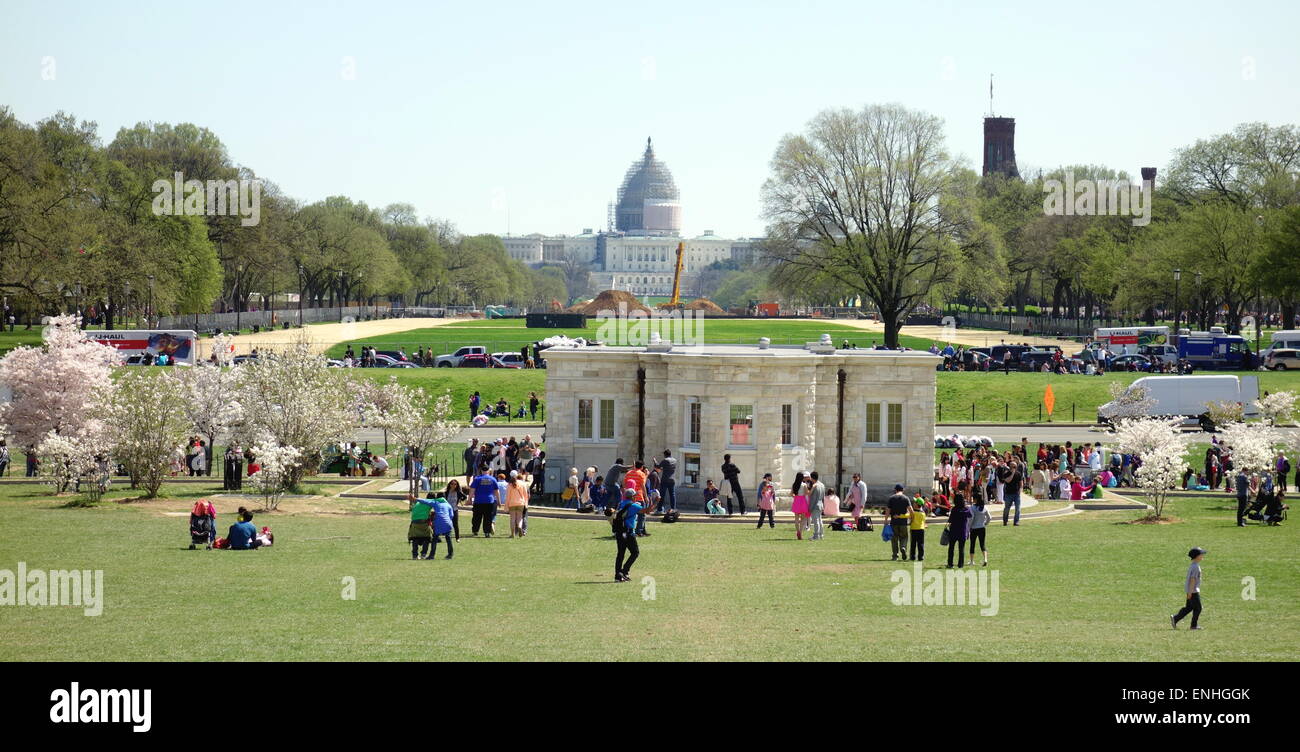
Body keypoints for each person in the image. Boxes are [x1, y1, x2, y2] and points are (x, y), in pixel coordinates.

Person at [1170, 547, 1207, 630]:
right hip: (1193, 591)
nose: (1202, 555)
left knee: (1189, 607)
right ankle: (1193, 625)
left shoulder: (1193, 565)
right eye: (1201, 554)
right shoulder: (1196, 567)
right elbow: (1192, 580)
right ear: (1197, 556)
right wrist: (1190, 592)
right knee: (1198, 608)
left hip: (1190, 590)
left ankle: (1175, 618)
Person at [613, 488, 642, 582]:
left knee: (620, 554)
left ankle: (618, 575)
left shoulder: (620, 504)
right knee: (635, 552)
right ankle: (624, 571)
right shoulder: (633, 505)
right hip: (628, 532)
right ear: (633, 497)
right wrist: (656, 501)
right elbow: (647, 511)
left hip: (619, 532)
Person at [470, 467, 501, 537]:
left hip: (478, 501)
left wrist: (469, 498)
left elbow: (472, 489)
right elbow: (496, 491)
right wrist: (499, 501)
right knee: (488, 517)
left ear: (481, 470)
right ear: (489, 471)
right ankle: (487, 532)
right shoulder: (493, 479)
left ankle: (475, 530)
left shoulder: (477, 479)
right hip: (489, 501)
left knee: (476, 517)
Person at [945, 496, 972, 569]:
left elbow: (950, 520)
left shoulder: (954, 509)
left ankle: (950, 563)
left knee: (951, 548)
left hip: (954, 530)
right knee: (961, 549)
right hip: (962, 531)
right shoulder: (966, 509)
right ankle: (960, 564)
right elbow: (970, 515)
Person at [886, 484, 911, 561]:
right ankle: (903, 547)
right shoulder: (906, 498)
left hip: (894, 522)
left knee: (894, 539)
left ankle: (895, 555)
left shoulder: (891, 498)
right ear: (902, 490)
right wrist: (911, 519)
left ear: (895, 490)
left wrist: (885, 520)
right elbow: (911, 511)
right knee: (904, 537)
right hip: (903, 523)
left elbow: (888, 511)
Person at [408, 493, 434, 559]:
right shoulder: (430, 502)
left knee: (415, 539)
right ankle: (423, 554)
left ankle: (415, 555)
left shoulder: (418, 503)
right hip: (423, 523)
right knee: (427, 538)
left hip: (414, 523)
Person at [506, 469, 529, 538]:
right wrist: (526, 504)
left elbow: (508, 496)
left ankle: (512, 533)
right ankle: (519, 527)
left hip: (512, 503)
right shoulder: (522, 483)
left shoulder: (509, 484)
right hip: (521, 503)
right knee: (520, 518)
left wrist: (506, 506)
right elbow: (526, 495)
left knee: (512, 519)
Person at [969, 495, 991, 566]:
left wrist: (969, 527)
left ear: (976, 499)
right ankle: (985, 559)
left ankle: (972, 561)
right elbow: (989, 517)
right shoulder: (984, 508)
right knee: (982, 544)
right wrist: (985, 523)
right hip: (982, 528)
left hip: (974, 528)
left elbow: (971, 518)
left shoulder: (972, 508)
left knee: (972, 544)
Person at [1002, 458, 1024, 526]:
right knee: (1007, 508)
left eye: (1015, 466)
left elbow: (1021, 483)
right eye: (1012, 466)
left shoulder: (1018, 474)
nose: (1013, 468)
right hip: (1008, 493)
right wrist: (1012, 473)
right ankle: (1005, 521)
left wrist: (1020, 491)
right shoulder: (1006, 473)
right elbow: (1008, 481)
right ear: (1010, 466)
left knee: (1018, 508)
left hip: (1016, 494)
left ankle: (1016, 522)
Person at [790, 472, 809, 539]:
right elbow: (807, 493)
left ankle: (797, 531)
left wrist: (795, 496)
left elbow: (791, 494)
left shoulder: (794, 484)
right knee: (803, 518)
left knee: (796, 518)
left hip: (796, 500)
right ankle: (800, 532)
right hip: (802, 500)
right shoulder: (804, 485)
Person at [807, 471, 826, 541]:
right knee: (820, 520)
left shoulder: (815, 486)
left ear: (812, 478)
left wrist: (810, 507)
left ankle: (816, 535)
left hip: (815, 505)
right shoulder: (822, 485)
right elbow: (823, 496)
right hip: (820, 504)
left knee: (816, 521)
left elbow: (812, 497)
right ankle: (821, 534)